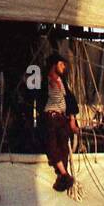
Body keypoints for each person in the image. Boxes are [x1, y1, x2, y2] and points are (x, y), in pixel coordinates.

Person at [37, 52, 80, 191]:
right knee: (52, 145)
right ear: (54, 65)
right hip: (50, 118)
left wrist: (72, 120)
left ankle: (63, 176)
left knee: (64, 147)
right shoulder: (45, 82)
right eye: (61, 64)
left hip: (62, 119)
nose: (64, 67)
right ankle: (64, 174)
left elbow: (71, 101)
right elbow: (38, 100)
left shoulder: (62, 82)